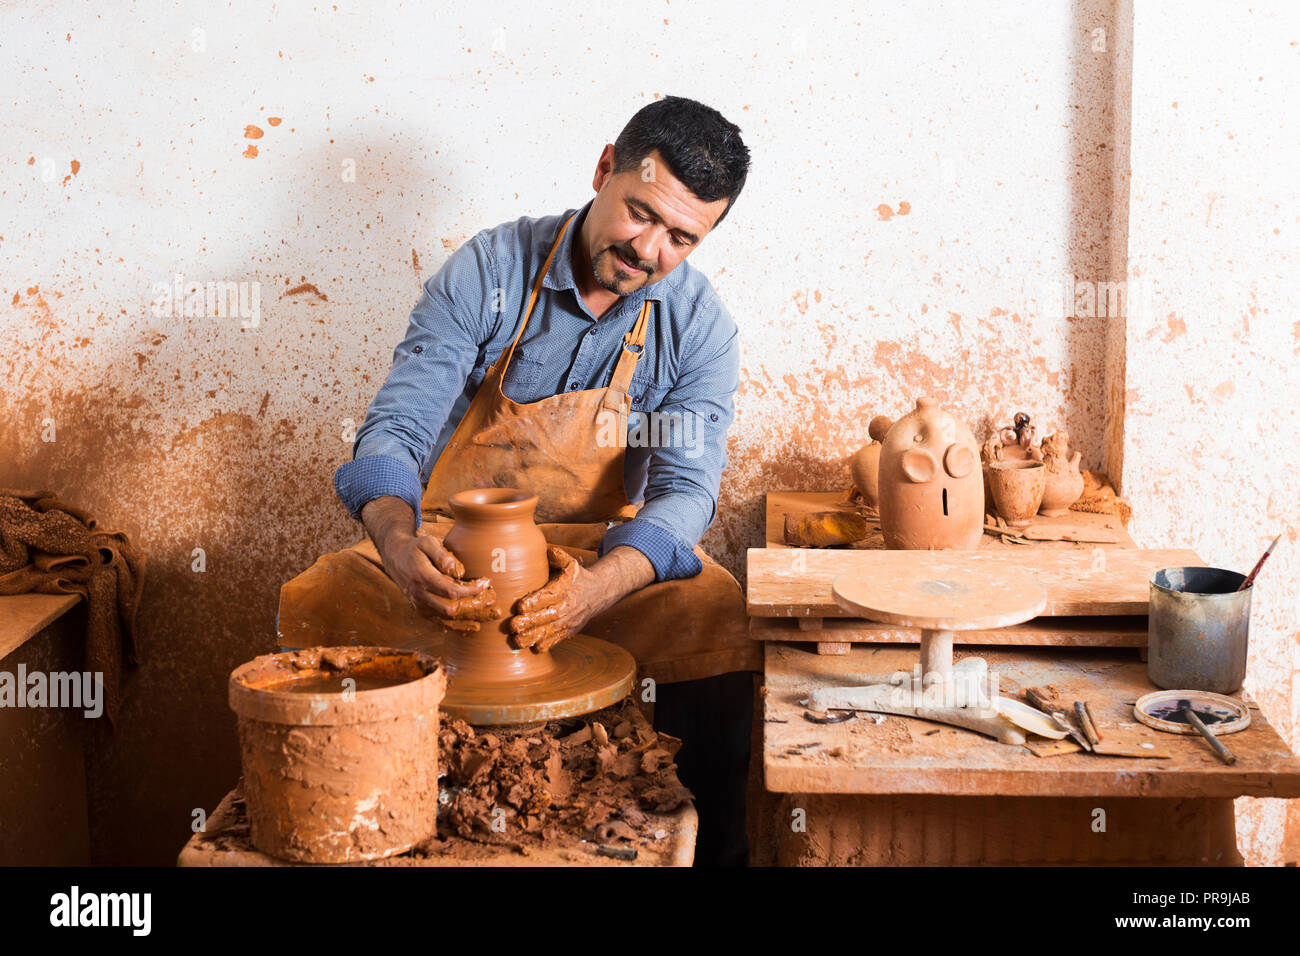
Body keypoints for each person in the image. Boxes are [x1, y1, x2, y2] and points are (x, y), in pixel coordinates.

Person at [278, 95, 759, 865]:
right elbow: (395, 429)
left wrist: (596, 591)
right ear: (604, 169)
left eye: (681, 238)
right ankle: (346, 830)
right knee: (321, 595)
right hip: (448, 553)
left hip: (591, 562)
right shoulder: (490, 272)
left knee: (715, 608)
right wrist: (401, 549)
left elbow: (685, 492)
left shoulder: (698, 325)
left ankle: (704, 852)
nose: (650, 250)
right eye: (640, 213)